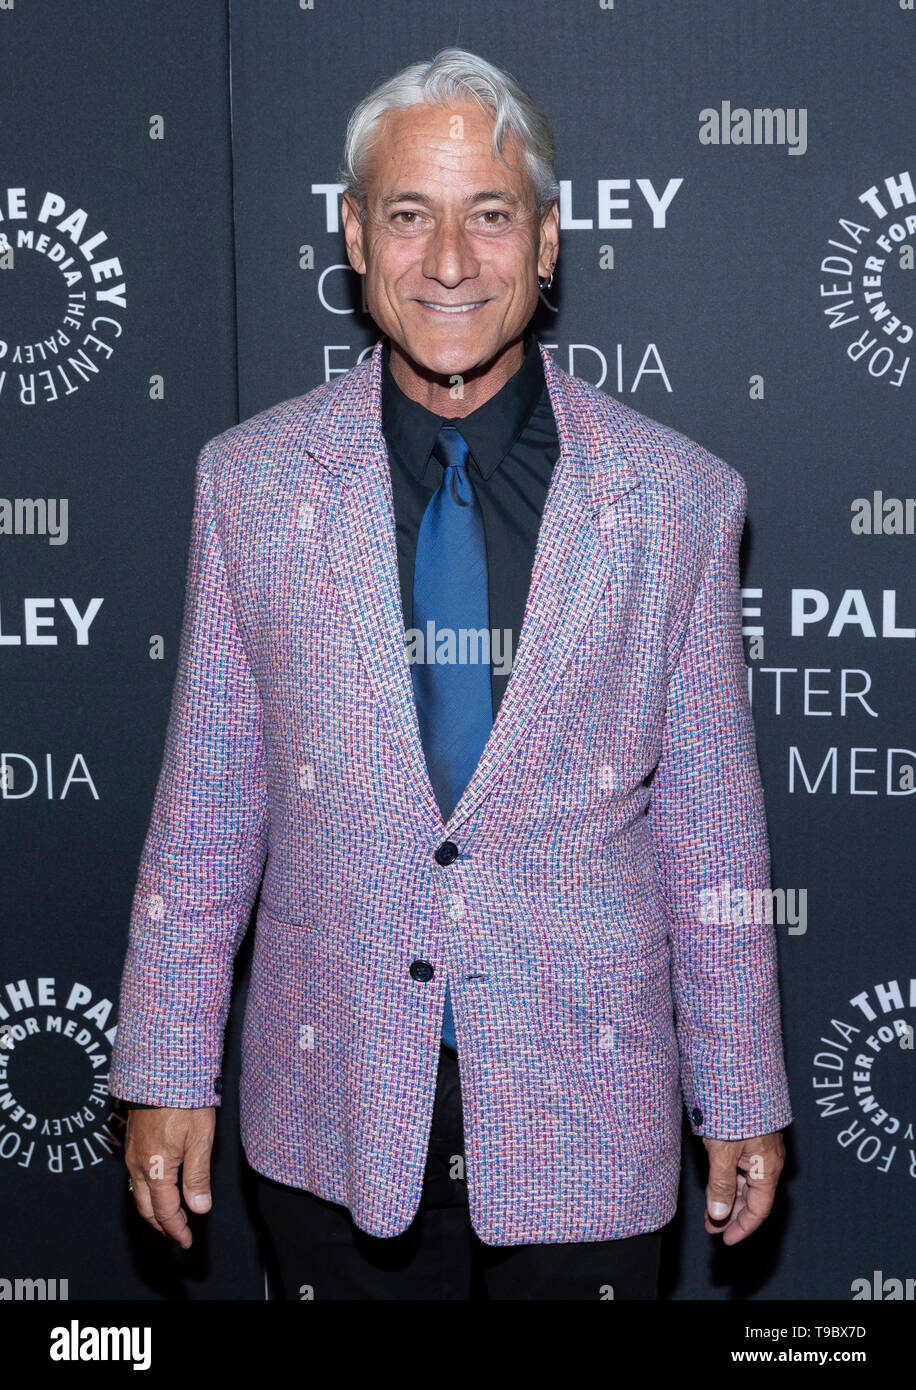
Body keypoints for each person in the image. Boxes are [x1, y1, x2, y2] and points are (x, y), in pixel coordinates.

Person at [109, 47, 793, 1301]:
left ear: (544, 244)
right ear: (356, 239)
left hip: (586, 1100)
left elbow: (712, 835)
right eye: (409, 215)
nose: (447, 260)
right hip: (330, 1095)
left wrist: (741, 1086)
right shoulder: (250, 486)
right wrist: (163, 1062)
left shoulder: (678, 500)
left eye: (488, 215)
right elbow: (207, 806)